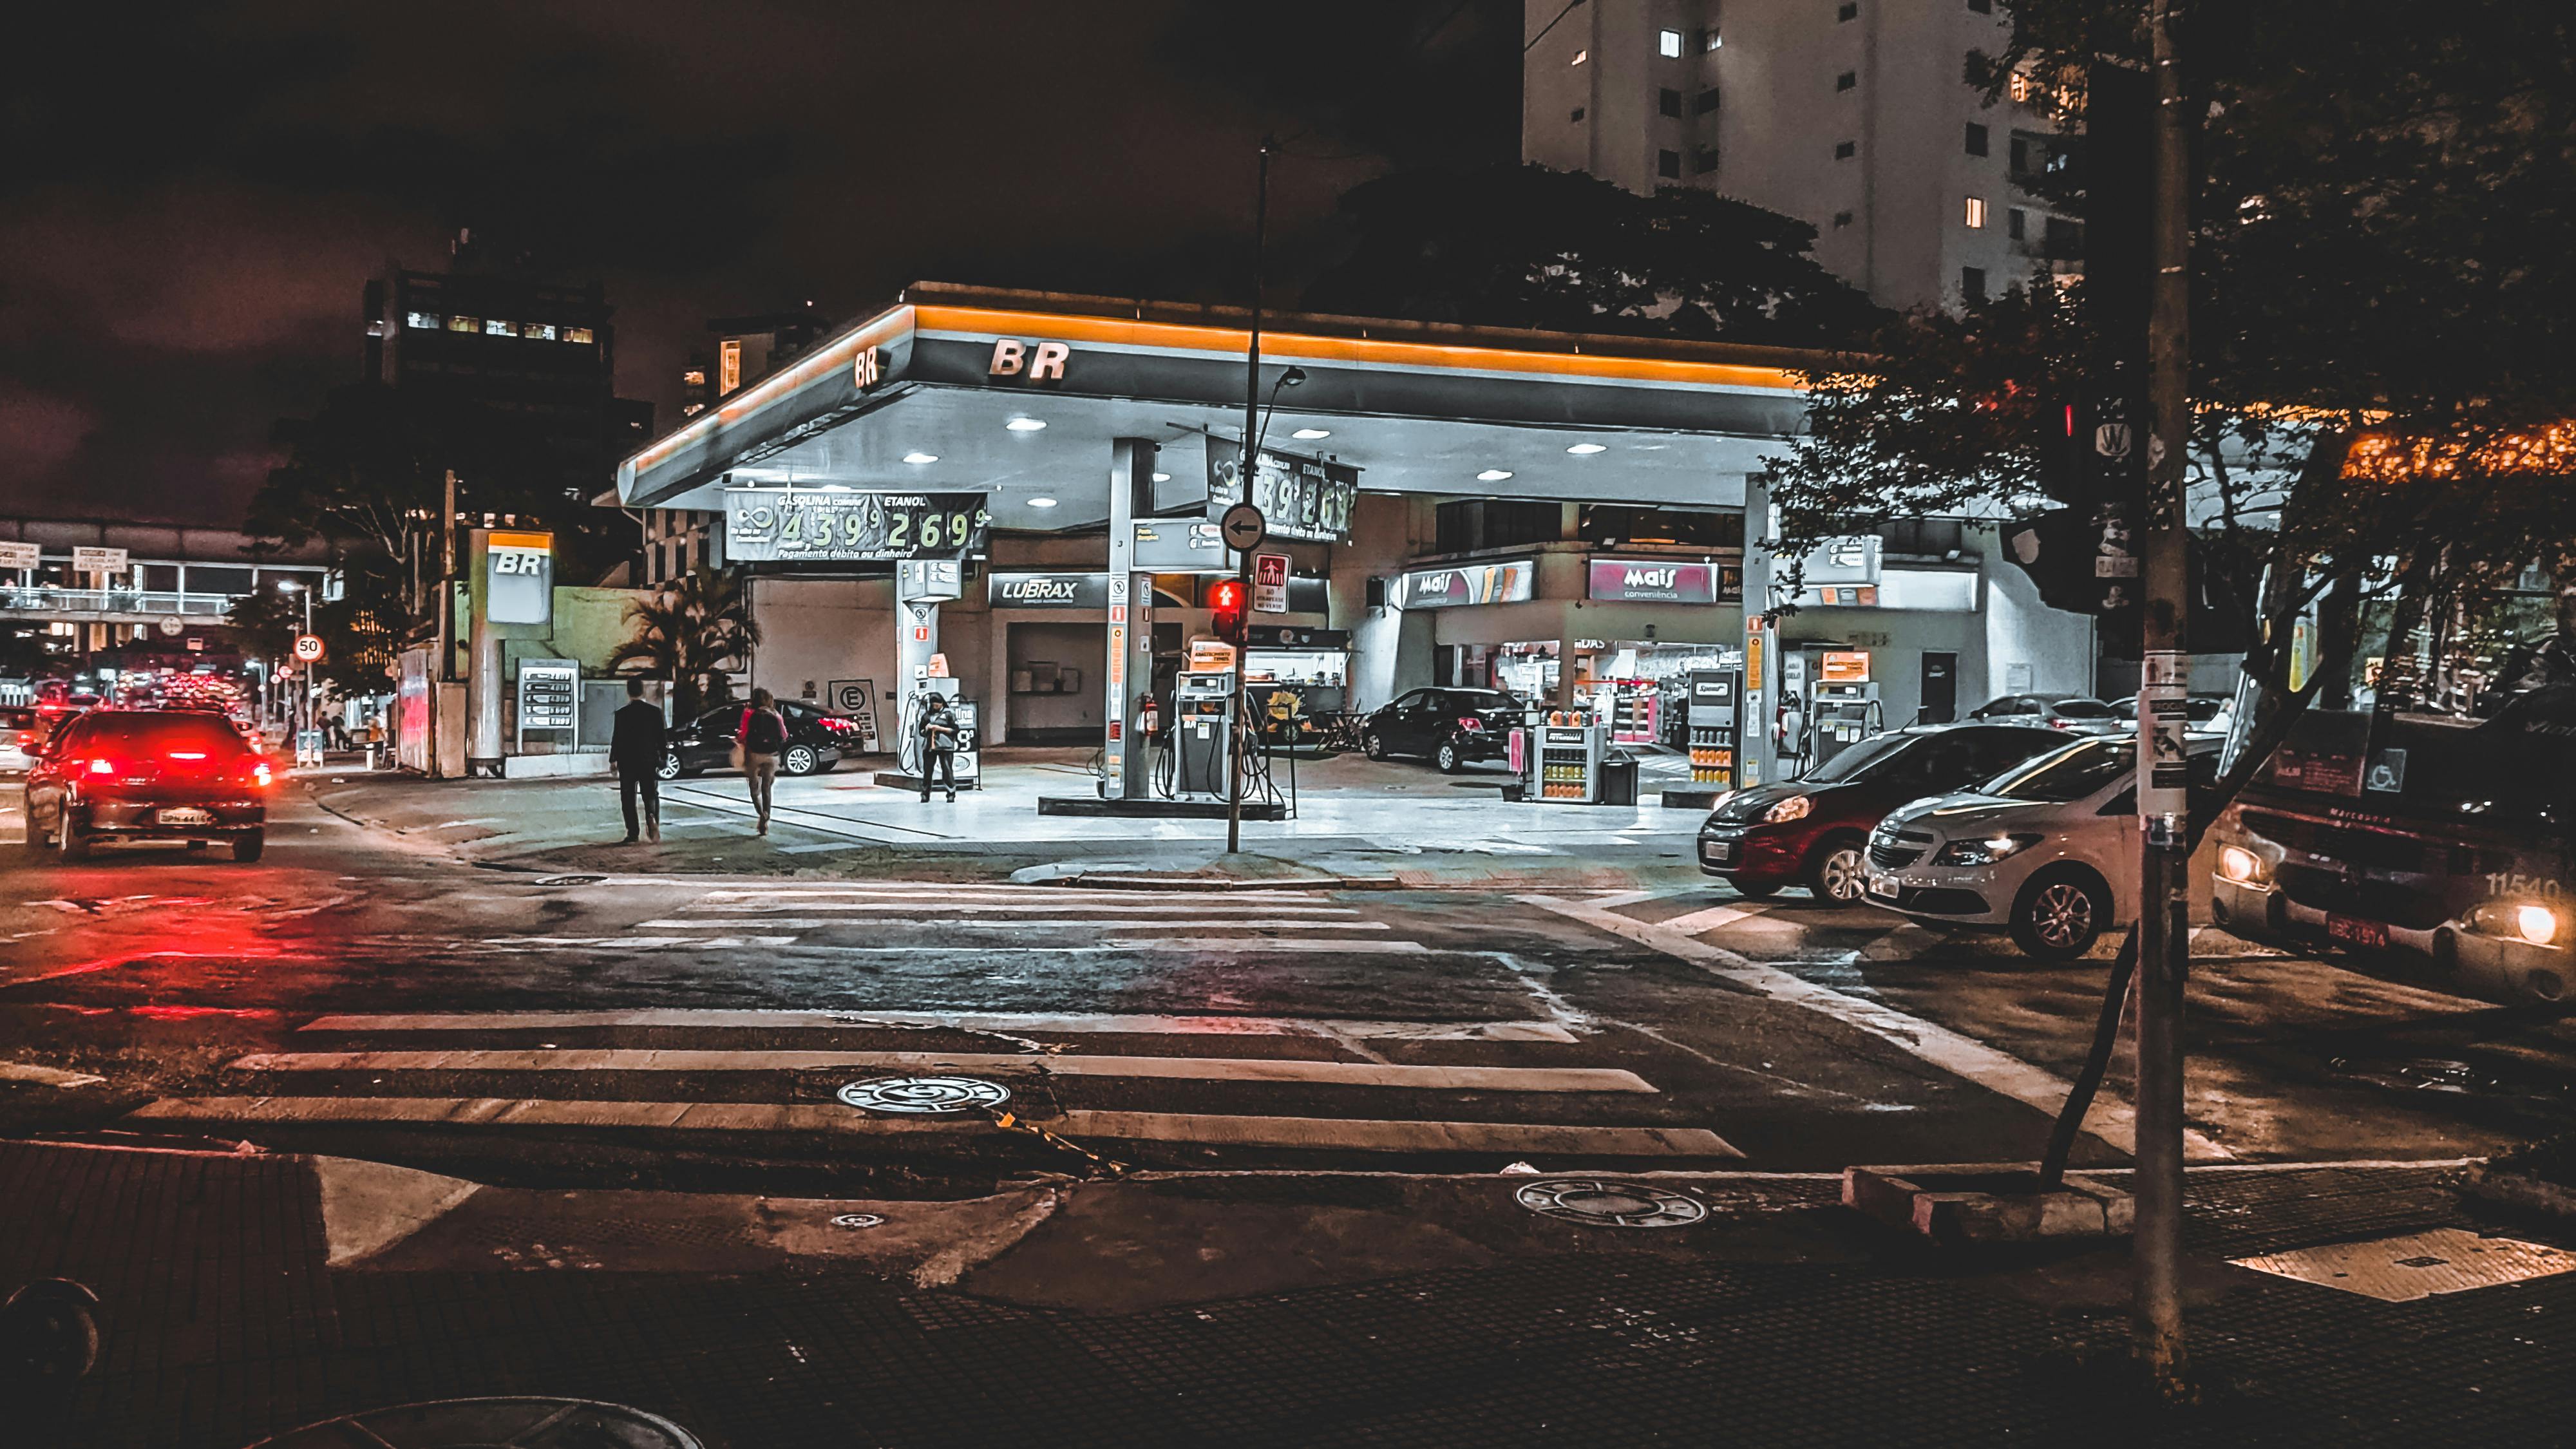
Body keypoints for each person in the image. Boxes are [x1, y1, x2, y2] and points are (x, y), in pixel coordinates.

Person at [609, 677, 668, 844]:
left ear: (628, 692)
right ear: (643, 691)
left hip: (627, 762)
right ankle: (651, 817)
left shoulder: (622, 714)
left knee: (628, 797)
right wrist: (663, 757)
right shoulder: (654, 712)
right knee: (650, 793)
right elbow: (661, 738)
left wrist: (613, 760)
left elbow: (617, 738)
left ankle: (633, 832)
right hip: (648, 760)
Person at [738, 687, 788, 835]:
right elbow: (784, 736)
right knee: (767, 788)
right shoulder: (776, 715)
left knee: (754, 788)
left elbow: (744, 734)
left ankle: (761, 814)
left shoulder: (749, 713)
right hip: (772, 755)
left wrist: (739, 740)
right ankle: (766, 819)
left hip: (754, 753)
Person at [918, 694, 959, 802]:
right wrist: (927, 728)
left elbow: (955, 730)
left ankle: (951, 793)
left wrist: (940, 728)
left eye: (937, 705)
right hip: (929, 746)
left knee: (947, 771)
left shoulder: (949, 714)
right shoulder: (927, 716)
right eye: (934, 705)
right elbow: (921, 731)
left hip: (945, 746)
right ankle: (925, 793)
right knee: (927, 771)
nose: (935, 707)